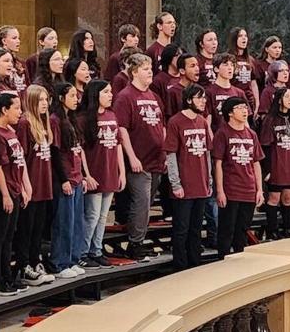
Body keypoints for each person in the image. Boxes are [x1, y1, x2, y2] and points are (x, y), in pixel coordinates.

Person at [114, 53, 166, 262]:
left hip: (156, 159)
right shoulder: (126, 96)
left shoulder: (153, 95)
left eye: (151, 68)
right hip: (139, 160)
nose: (150, 72)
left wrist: (164, 147)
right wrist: (132, 157)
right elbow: (122, 129)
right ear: (134, 72)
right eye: (145, 69)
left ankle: (139, 238)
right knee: (141, 202)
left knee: (148, 202)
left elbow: (161, 124)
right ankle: (135, 244)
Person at [0, 93, 30, 296]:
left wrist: (24, 186)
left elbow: (18, 161)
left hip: (15, 188)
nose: (20, 112)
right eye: (16, 108)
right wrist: (4, 194)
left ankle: (7, 275)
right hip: (5, 190)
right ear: (4, 109)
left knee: (9, 237)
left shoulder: (10, 131)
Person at [163, 84, 211, 270]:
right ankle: (180, 266)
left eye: (205, 98)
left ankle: (194, 263)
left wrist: (209, 180)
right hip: (184, 185)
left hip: (201, 183)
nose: (203, 101)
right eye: (199, 98)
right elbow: (171, 154)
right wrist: (176, 184)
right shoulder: (175, 121)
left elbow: (206, 153)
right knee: (181, 229)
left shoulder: (202, 121)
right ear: (189, 99)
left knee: (196, 228)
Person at [15, 85, 59, 284]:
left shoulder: (44, 123)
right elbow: (21, 158)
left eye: (46, 99)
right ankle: (24, 266)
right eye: (40, 100)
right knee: (26, 227)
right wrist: (24, 186)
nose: (44, 103)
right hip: (30, 185)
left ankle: (35, 261)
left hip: (44, 185)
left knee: (38, 229)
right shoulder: (24, 123)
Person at [213, 97, 264, 256]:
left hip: (248, 190)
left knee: (242, 230)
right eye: (239, 107)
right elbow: (218, 164)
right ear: (229, 112)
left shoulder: (252, 134)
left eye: (245, 107)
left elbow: (256, 163)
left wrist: (260, 190)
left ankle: (239, 262)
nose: (244, 111)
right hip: (231, 189)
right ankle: (223, 261)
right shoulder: (222, 133)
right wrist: (220, 191)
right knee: (227, 229)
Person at [80, 81, 122, 268]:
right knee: (92, 215)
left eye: (111, 91)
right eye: (106, 92)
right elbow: (80, 149)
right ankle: (83, 250)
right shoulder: (83, 119)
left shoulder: (112, 115)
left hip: (111, 170)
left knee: (103, 216)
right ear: (95, 94)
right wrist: (86, 175)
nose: (110, 95)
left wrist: (121, 172)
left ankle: (96, 249)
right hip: (95, 172)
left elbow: (118, 144)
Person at [52, 83, 92, 272]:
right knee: (64, 223)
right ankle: (60, 262)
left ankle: (73, 259)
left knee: (77, 222)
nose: (76, 99)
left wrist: (83, 176)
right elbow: (56, 152)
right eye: (72, 96)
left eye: (77, 96)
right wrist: (63, 180)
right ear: (61, 98)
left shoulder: (72, 119)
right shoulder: (55, 120)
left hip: (77, 177)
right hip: (66, 179)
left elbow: (78, 151)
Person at [259, 87, 290, 240]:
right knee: (274, 198)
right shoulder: (270, 120)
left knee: (288, 198)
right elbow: (265, 146)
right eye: (287, 97)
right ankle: (272, 231)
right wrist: (268, 169)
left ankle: (288, 230)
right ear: (279, 99)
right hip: (276, 164)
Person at [206, 54, 245, 130]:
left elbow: (244, 121)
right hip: (218, 135)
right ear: (216, 69)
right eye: (226, 65)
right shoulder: (209, 92)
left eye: (232, 65)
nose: (230, 68)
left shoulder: (239, 93)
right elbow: (207, 122)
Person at [229, 28, 261, 110]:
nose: (244, 38)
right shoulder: (228, 58)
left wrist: (257, 102)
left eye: (245, 36)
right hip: (233, 98)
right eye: (240, 36)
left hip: (249, 99)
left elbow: (253, 83)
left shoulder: (250, 60)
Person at [0, 25, 29, 94]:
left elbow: (27, 85)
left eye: (18, 38)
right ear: (4, 41)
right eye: (14, 38)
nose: (18, 41)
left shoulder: (21, 62)